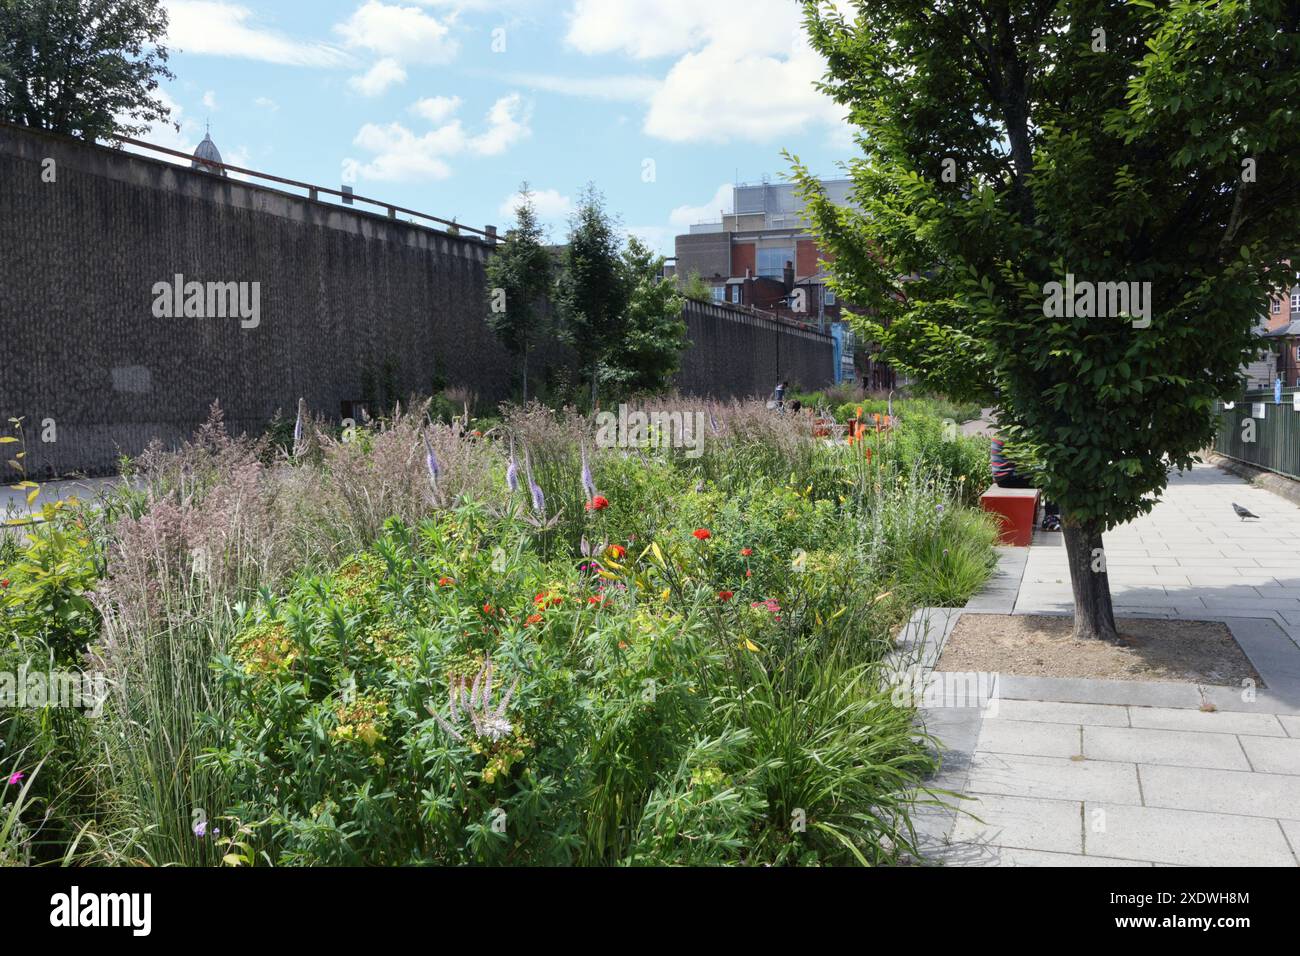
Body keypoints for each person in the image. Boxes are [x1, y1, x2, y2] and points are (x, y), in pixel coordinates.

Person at [990, 434, 1061, 530]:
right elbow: (1024, 460)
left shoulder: (1000, 434)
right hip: (1008, 477)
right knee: (1049, 478)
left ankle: (1051, 516)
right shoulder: (1011, 434)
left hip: (1001, 477)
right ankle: (1051, 519)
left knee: (1044, 475)